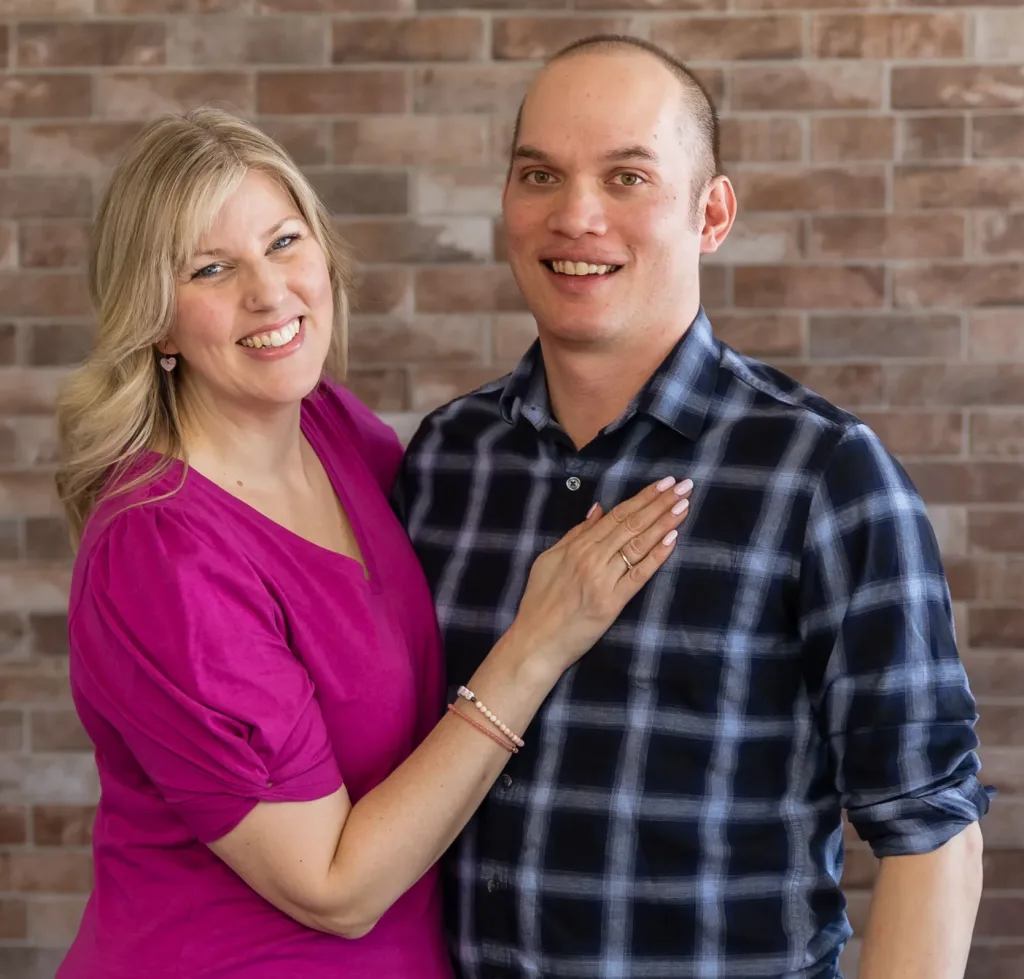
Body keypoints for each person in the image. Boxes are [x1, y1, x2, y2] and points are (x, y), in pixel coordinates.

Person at [394, 35, 992, 979]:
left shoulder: (822, 473)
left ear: (711, 213)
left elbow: (929, 829)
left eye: (627, 176)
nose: (575, 215)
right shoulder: (446, 461)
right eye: (539, 174)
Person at [52, 106, 694, 979]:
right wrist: (538, 643)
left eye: (283, 243)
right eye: (211, 268)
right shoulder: (163, 549)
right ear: (158, 322)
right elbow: (334, 888)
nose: (269, 293)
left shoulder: (332, 429)